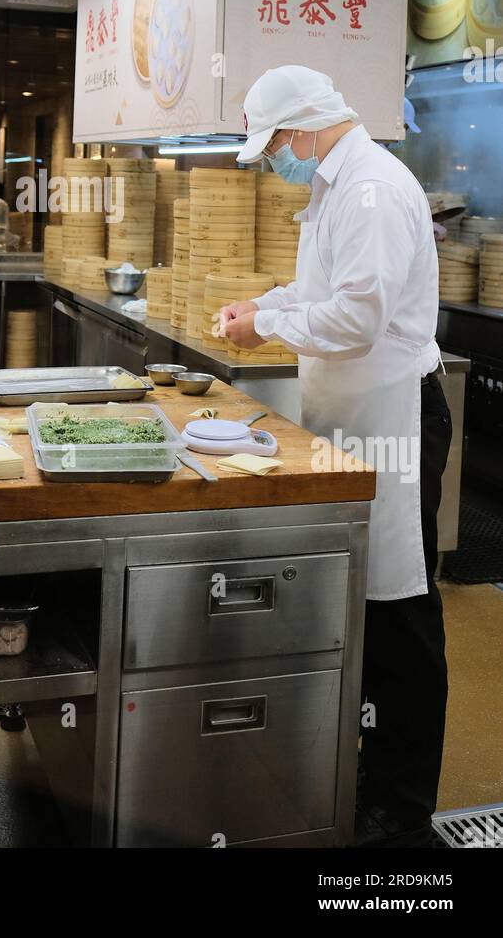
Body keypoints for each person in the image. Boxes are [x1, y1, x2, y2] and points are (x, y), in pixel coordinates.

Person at [223, 65, 450, 850]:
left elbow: (356, 318)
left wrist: (271, 327)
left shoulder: (372, 190)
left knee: (401, 611)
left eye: (276, 144)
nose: (275, 160)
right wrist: (268, 305)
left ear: (305, 126)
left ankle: (402, 810)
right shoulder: (332, 188)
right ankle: (369, 776)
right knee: (366, 606)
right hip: (352, 419)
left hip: (394, 418)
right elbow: (321, 289)